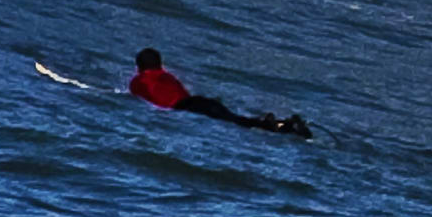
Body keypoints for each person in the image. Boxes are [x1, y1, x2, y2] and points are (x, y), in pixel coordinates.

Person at [128, 48, 311, 137]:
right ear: (160, 64)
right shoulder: (168, 76)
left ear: (139, 67)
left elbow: (140, 99)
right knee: (237, 119)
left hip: (186, 108)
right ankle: (283, 125)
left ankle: (280, 126)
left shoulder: (138, 81)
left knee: (238, 123)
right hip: (198, 101)